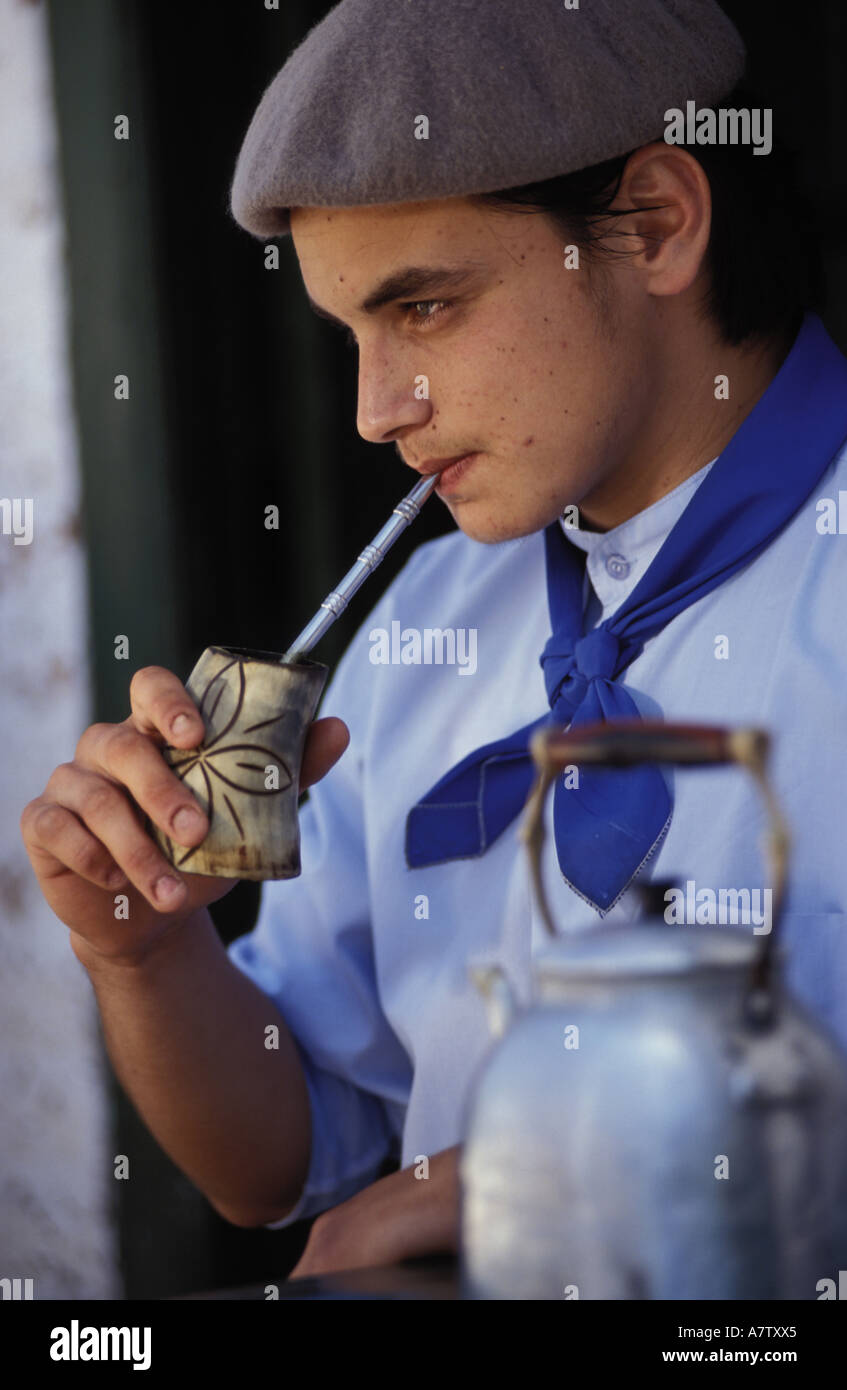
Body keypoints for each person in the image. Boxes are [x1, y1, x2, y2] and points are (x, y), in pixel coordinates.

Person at [21, 0, 847, 1282]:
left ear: (654, 223)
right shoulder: (426, 618)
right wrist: (141, 947)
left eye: (424, 308)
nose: (370, 411)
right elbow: (279, 1162)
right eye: (348, 334)